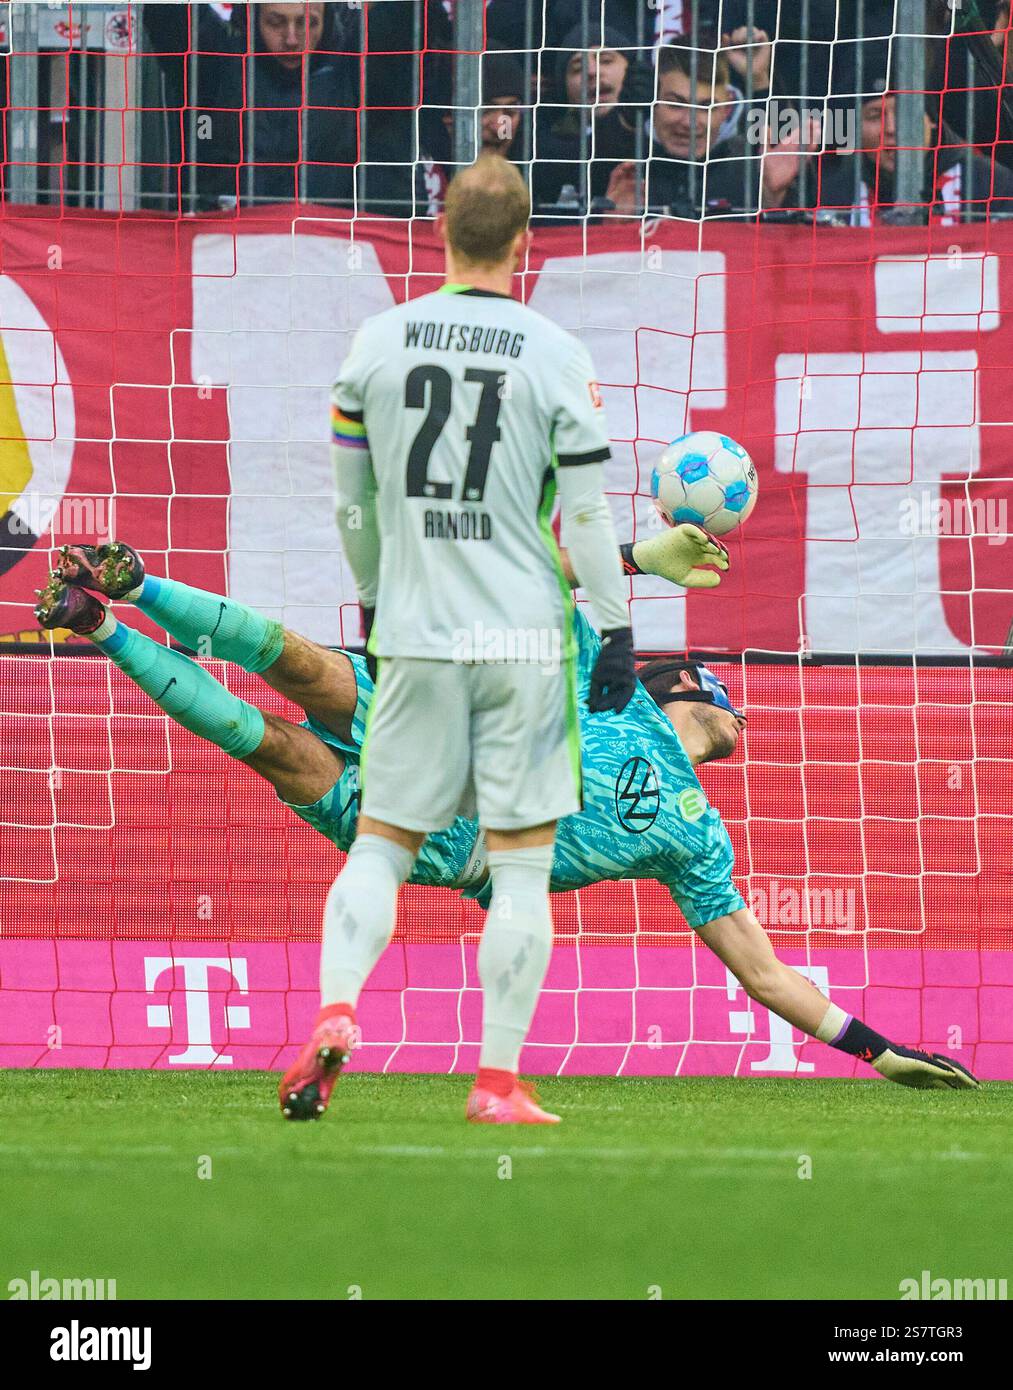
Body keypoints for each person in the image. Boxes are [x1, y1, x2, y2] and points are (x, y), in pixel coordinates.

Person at [36, 526, 980, 1103]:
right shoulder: (615, 697)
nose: (740, 716)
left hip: (452, 842)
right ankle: (139, 583)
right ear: (693, 689)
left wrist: (875, 1049)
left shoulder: (700, 846)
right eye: (731, 699)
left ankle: (101, 627)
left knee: (274, 749)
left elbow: (765, 974)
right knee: (308, 665)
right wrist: (641, 560)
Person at [322, 153, 635, 1126]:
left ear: (442, 230)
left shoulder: (377, 342)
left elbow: (351, 505)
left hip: (415, 634)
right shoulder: (555, 355)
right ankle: (494, 1084)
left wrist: (373, 606)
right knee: (520, 864)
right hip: (523, 646)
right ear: (525, 240)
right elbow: (580, 522)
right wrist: (617, 628)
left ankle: (336, 1011)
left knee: (379, 843)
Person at [144, 1, 358, 208]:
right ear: (252, 19)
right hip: (229, 233)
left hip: (326, 236)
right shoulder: (214, 64)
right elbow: (168, 16)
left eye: (307, 23)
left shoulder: (352, 70)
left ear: (327, 21)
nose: (292, 39)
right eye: (276, 23)